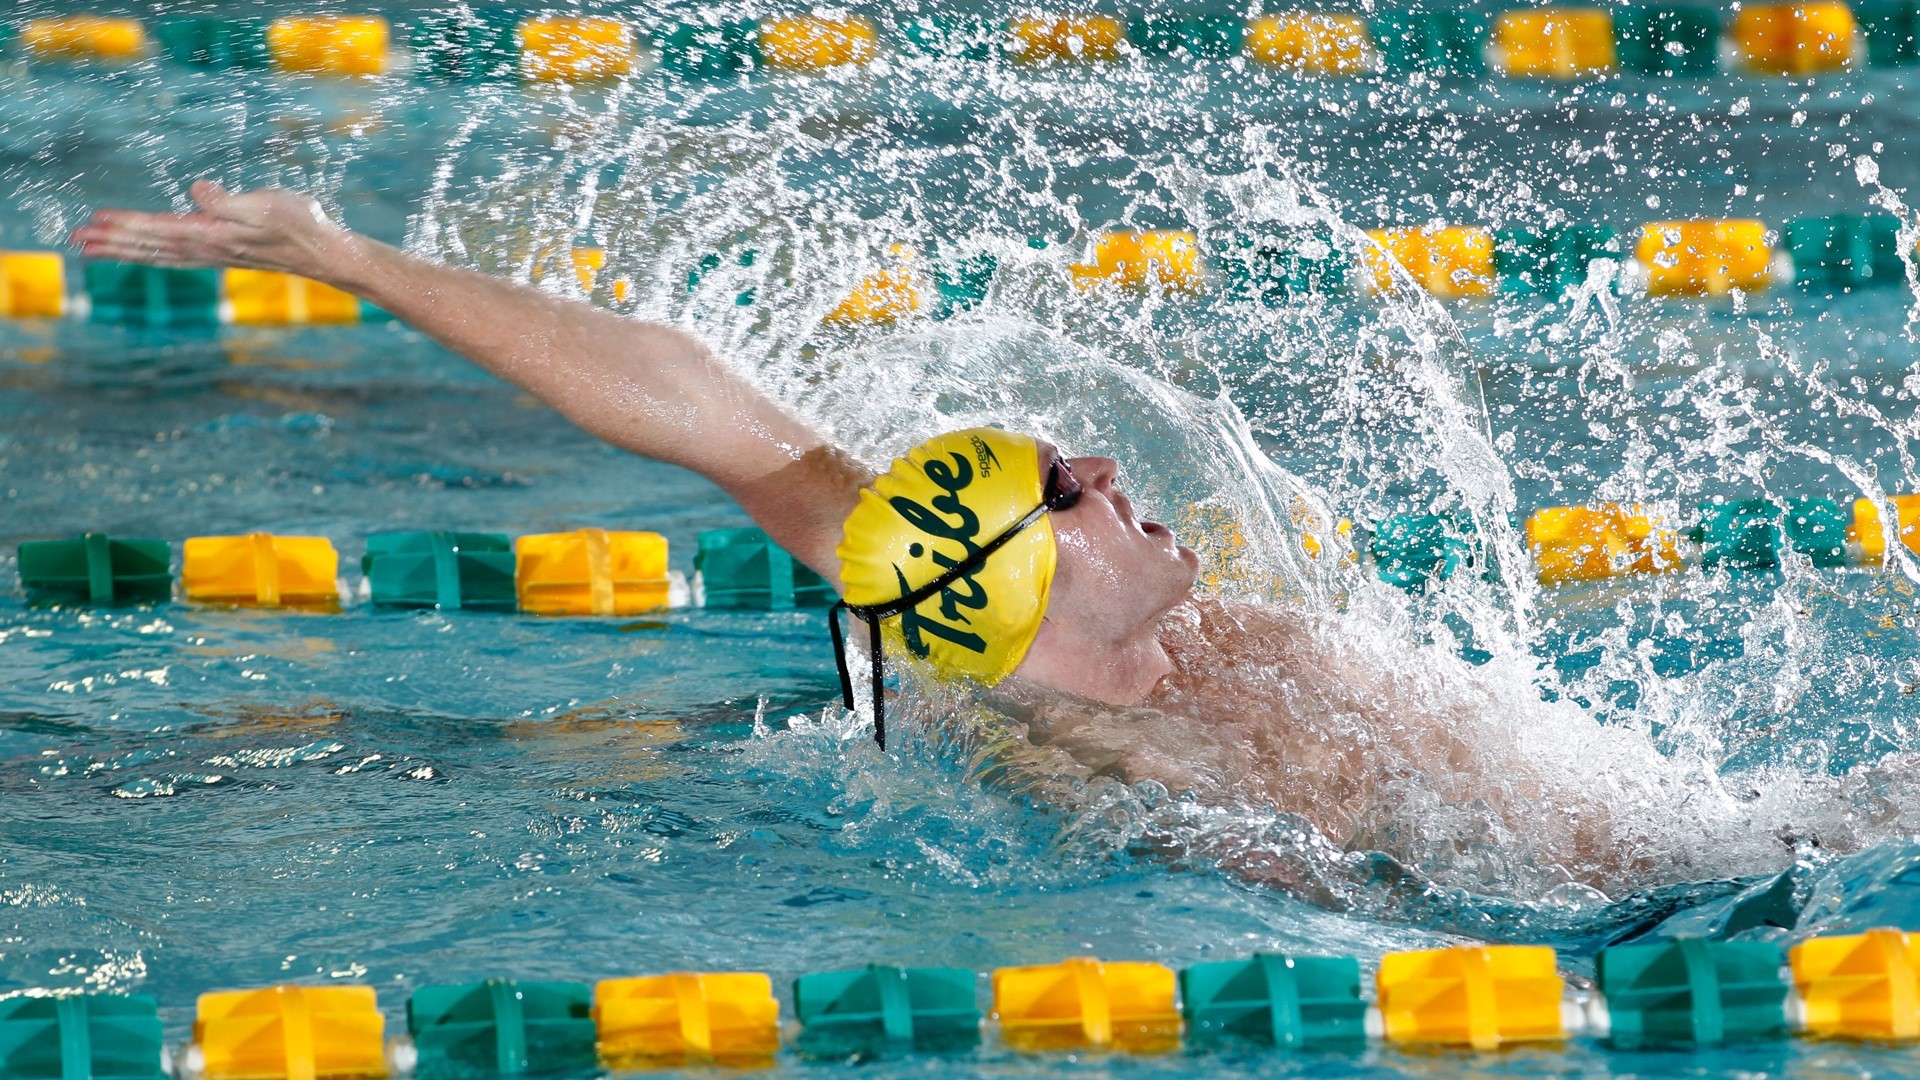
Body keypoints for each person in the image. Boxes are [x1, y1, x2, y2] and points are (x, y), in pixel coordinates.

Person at [73, 182, 1836, 901]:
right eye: (1060, 494)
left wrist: (363, 264)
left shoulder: (960, 599)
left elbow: (691, 399)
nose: (1091, 463)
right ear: (1028, 594)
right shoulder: (1152, 763)